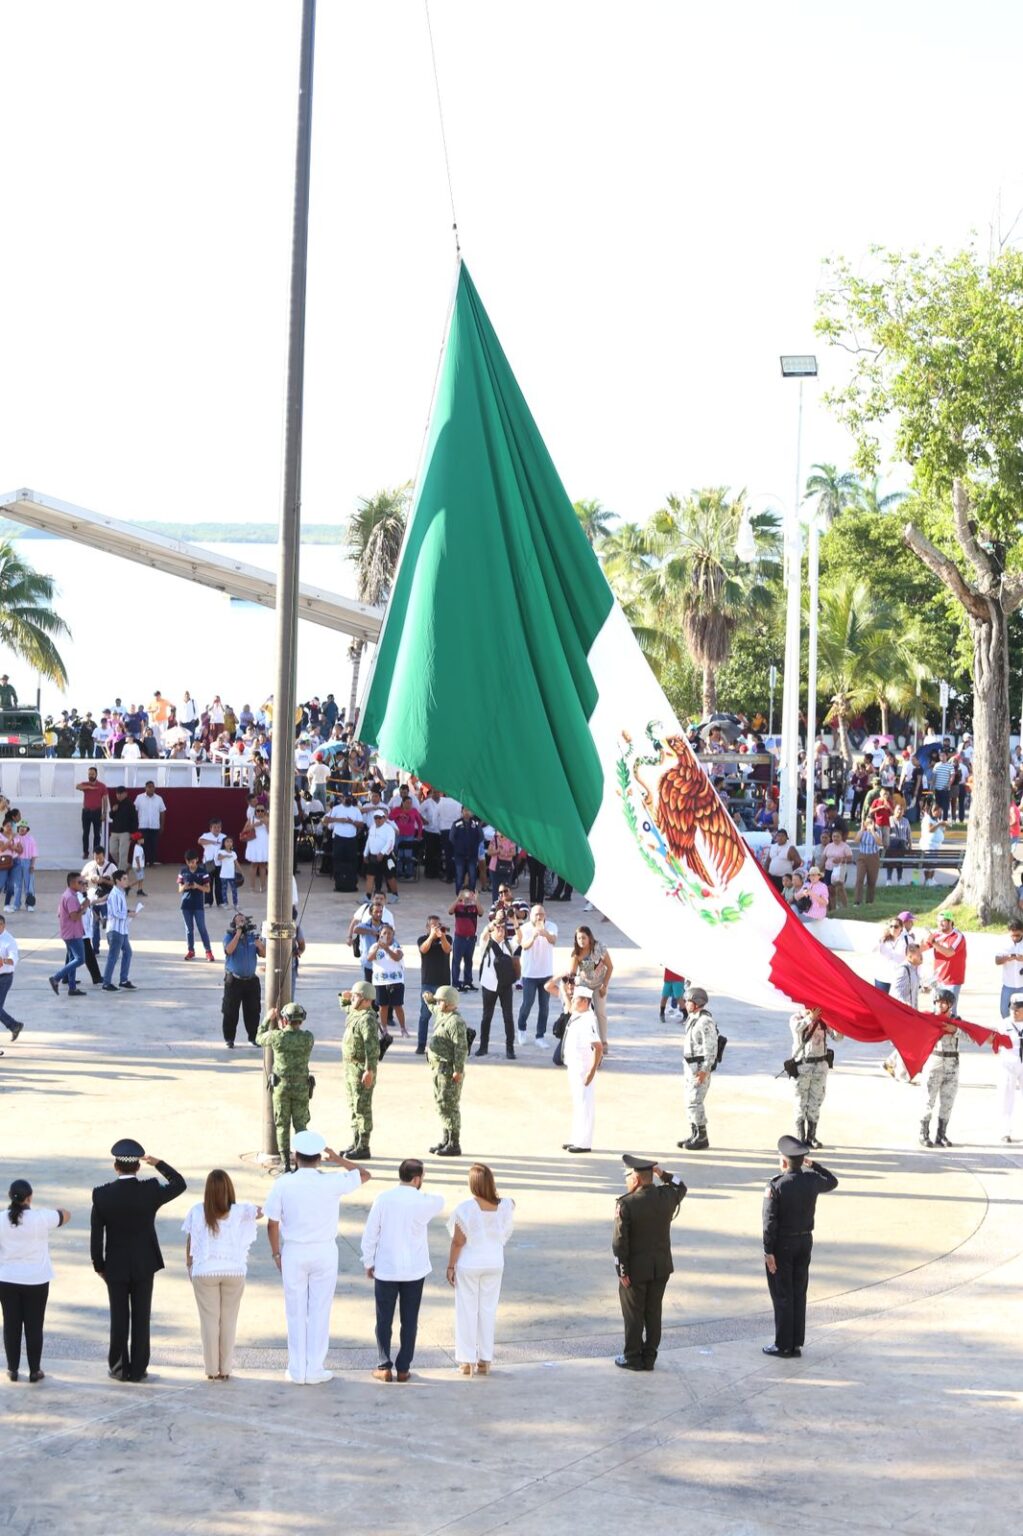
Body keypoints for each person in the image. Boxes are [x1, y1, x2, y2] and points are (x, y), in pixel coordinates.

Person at [263, 1129, 371, 1386]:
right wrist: (338, 1158)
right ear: (319, 1158)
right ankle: (315, 1368)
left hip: (294, 1250)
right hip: (324, 1250)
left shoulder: (283, 1183)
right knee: (320, 1309)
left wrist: (276, 1252)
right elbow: (365, 1175)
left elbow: (272, 1223)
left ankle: (297, 1369)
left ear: (295, 1156)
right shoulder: (331, 1181)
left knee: (295, 1310)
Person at [90, 1138, 187, 1382]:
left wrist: (99, 1266)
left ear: (115, 1166)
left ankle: (119, 1367)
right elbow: (179, 1184)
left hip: (115, 1265)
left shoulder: (102, 1195)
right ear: (138, 1167)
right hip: (145, 1263)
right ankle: (139, 1368)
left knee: (119, 1318)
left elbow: (96, 1236)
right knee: (142, 1317)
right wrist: (159, 1164)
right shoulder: (150, 1190)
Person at [361, 1158, 445, 1383]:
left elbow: (371, 1234)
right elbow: (441, 1200)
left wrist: (369, 1261)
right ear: (417, 1179)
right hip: (414, 1270)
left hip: (386, 1268)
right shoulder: (423, 1201)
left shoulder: (384, 1198)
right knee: (410, 1320)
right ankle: (404, 1367)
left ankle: (384, 1364)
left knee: (383, 1319)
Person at [762, 1133, 838, 1358]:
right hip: (805, 1241)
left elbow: (769, 1221)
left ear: (784, 1162)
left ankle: (783, 1344)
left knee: (782, 1294)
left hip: (783, 1245)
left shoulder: (777, 1185)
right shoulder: (811, 1180)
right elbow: (832, 1181)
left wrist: (768, 1251)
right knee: (798, 1291)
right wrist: (814, 1165)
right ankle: (795, 1343)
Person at [182, 1171, 262, 1380]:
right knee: (229, 1321)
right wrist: (242, 1205)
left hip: (205, 1271)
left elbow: (191, 1240)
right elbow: (262, 1211)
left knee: (209, 1322)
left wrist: (189, 1266)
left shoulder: (197, 1211)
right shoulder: (239, 1211)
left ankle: (211, 1370)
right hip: (234, 1271)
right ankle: (225, 1369)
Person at [612, 1154, 687, 1371]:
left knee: (633, 1314)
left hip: (635, 1271)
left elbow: (619, 1243)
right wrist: (662, 1174)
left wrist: (622, 1270)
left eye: (628, 1176)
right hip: (661, 1267)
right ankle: (650, 1356)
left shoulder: (626, 1204)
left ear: (635, 1179)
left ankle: (633, 1357)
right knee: (653, 1312)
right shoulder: (666, 1196)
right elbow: (681, 1186)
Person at [446, 1162, 514, 1376]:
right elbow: (513, 1202)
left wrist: (450, 1265)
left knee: (467, 1311)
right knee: (487, 1310)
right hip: (494, 1263)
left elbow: (458, 1241)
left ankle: (467, 1362)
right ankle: (485, 1359)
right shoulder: (504, 1205)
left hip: (470, 1263)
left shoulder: (465, 1208)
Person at [0, 1179, 70, 1382]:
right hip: (36, 1280)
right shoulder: (41, 1217)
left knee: (11, 1324)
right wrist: (57, 1210)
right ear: (30, 1197)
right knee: (34, 1326)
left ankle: (12, 1369)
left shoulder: (2, 1218)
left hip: (7, 1279)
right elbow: (66, 1215)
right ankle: (34, 1370)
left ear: (9, 1196)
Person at [255, 1004, 314, 1169]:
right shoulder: (308, 1037)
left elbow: (259, 1037)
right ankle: (300, 1163)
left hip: (282, 1087)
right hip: (301, 1087)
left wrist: (268, 1019)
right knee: (301, 1125)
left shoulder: (277, 1037)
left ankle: (286, 1164)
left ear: (284, 1019)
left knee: (282, 1125)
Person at [425, 984, 469, 1156]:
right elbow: (432, 1008)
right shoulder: (443, 1014)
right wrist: (429, 999)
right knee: (442, 1104)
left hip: (449, 1070)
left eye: (441, 1001)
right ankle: (446, 1139)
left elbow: (461, 1048)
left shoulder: (455, 1022)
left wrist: (458, 1070)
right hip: (438, 1069)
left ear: (450, 1003)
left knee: (450, 1106)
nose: (438, 1004)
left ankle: (454, 1143)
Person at [338, 980, 380, 1160]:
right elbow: (346, 1008)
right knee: (353, 1105)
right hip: (351, 1068)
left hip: (361, 1068)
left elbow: (372, 1048)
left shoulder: (368, 1020)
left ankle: (364, 1145)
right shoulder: (357, 1012)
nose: (352, 998)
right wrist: (344, 997)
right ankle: (355, 1141)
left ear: (365, 999)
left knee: (362, 1107)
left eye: (355, 996)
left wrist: (369, 1070)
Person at [788, 1007, 841, 1148]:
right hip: (803, 1066)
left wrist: (840, 1024)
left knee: (816, 1101)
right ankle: (800, 1136)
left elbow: (837, 1037)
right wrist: (810, 1018)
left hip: (820, 1066)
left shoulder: (823, 1019)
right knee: (801, 1101)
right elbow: (797, 1029)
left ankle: (812, 1136)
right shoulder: (796, 1018)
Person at [562, 982, 603, 1153]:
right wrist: (565, 990)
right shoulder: (578, 1014)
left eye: (576, 999)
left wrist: (592, 1072)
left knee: (585, 1104)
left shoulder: (588, 1020)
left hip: (583, 1068)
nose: (572, 1001)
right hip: (574, 1065)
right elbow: (569, 1006)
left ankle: (584, 1142)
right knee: (578, 1104)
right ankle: (576, 1138)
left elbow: (598, 1048)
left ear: (585, 1002)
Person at [678, 985, 719, 1151]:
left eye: (689, 1001)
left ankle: (702, 1137)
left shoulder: (705, 1021)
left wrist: (705, 1070)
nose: (686, 1004)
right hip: (691, 1067)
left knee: (695, 1102)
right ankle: (694, 1132)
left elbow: (711, 1048)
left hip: (700, 1068)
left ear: (697, 1003)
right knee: (690, 1102)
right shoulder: (693, 1018)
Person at [515, 904, 557, 1049]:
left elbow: (553, 940)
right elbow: (524, 946)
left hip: (546, 974)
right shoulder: (525, 928)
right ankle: (521, 1028)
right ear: (531, 915)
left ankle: (540, 1036)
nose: (539, 917)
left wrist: (544, 932)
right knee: (528, 1003)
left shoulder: (551, 926)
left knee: (544, 1006)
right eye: (536, 914)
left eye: (542, 914)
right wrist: (533, 936)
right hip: (529, 974)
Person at [222, 911, 266, 1047]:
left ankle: (253, 1037)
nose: (241, 922)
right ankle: (229, 1039)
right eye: (238, 920)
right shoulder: (229, 936)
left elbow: (263, 954)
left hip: (250, 980)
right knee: (230, 1010)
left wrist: (260, 945)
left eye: (243, 920)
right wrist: (238, 934)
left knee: (253, 1010)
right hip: (234, 980)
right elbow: (228, 950)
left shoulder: (253, 937)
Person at [477, 915, 518, 1059]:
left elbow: (520, 938)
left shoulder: (509, 945)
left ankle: (510, 1049)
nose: (501, 930)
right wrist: (493, 923)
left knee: (508, 1017)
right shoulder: (486, 943)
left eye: (503, 928)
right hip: (489, 985)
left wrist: (515, 923)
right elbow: (483, 934)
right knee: (486, 1017)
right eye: (498, 928)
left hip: (505, 986)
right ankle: (483, 1046)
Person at [569, 926, 614, 1053]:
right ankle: (585, 1040)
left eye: (584, 937)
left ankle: (604, 1042)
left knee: (600, 1012)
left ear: (590, 938)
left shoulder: (599, 948)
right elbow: (571, 974)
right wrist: (571, 989)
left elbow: (610, 967)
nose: (581, 941)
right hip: (584, 985)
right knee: (584, 1014)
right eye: (578, 938)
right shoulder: (576, 953)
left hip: (599, 984)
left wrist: (604, 985)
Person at [48, 872, 90, 998]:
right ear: (72, 883)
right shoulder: (71, 897)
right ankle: (56, 978)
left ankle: (72, 987)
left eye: (83, 882)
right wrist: (84, 907)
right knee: (80, 959)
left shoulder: (67, 895)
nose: (82, 885)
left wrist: (82, 906)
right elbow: (74, 916)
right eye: (80, 882)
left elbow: (60, 913)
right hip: (73, 933)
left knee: (73, 959)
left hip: (68, 932)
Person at [416, 914, 452, 1054]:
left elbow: (447, 949)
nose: (436, 927)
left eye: (438, 924)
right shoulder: (422, 939)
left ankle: (443, 1045)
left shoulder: (447, 938)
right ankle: (421, 1045)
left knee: (444, 1016)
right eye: (433, 925)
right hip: (428, 983)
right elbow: (423, 949)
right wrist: (431, 936)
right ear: (427, 927)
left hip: (443, 984)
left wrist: (441, 936)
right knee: (425, 1015)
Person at [921, 911, 967, 1015]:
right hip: (937, 979)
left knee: (950, 1011)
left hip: (952, 980)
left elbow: (949, 952)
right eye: (938, 921)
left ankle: (953, 1031)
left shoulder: (957, 936)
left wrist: (934, 942)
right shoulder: (937, 935)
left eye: (943, 921)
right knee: (936, 1009)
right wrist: (924, 940)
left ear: (951, 922)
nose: (940, 924)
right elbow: (921, 949)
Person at [367, 922, 407, 1039]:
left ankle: (403, 1028)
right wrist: (379, 947)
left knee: (397, 1005)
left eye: (389, 933)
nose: (387, 935)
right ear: (380, 934)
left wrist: (387, 949)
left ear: (393, 934)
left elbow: (397, 957)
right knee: (383, 1006)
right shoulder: (374, 947)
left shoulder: (396, 946)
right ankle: (384, 1029)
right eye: (384, 933)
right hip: (380, 982)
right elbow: (369, 958)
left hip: (396, 981)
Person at [100, 870, 137, 992]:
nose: (127, 881)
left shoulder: (121, 893)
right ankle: (106, 983)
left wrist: (128, 912)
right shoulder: (114, 894)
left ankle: (123, 980)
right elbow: (116, 913)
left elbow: (121, 910)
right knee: (113, 957)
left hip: (122, 930)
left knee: (128, 952)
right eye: (124, 879)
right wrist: (128, 914)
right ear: (117, 881)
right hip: (115, 930)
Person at [178, 850, 214, 961]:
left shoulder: (203, 872)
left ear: (197, 860)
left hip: (198, 905)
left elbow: (207, 889)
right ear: (186, 862)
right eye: (189, 862)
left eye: (193, 862)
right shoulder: (183, 872)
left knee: (202, 928)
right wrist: (186, 886)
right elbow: (179, 889)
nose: (191, 864)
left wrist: (197, 886)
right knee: (189, 929)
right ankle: (191, 950)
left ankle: (208, 951)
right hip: (186, 905)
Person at [998, 993, 1023, 1143]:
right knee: (1006, 1097)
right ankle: (1005, 1130)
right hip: (1008, 1062)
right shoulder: (1004, 1024)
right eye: (1013, 1008)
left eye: (1018, 1009)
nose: (1015, 1011)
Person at [448, 888, 482, 991]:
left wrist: (476, 901)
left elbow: (481, 912)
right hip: (459, 938)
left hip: (470, 939)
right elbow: (450, 911)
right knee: (456, 961)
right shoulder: (458, 907)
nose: (468, 899)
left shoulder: (474, 907)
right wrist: (458, 899)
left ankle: (468, 982)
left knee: (469, 961)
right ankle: (455, 983)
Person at [364, 806, 399, 901]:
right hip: (373, 856)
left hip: (387, 857)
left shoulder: (389, 828)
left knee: (390, 876)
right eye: (376, 818)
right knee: (370, 876)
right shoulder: (372, 827)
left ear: (384, 818)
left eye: (380, 817)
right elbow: (369, 841)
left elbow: (390, 843)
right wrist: (365, 853)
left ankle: (395, 895)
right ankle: (367, 897)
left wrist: (382, 853)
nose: (378, 820)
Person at [75, 766, 110, 858]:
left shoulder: (102, 786)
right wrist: (89, 787)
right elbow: (77, 786)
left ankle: (96, 853)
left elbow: (105, 800)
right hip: (86, 812)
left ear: (96, 775)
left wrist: (104, 813)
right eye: (89, 774)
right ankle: (85, 852)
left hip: (97, 812)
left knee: (97, 834)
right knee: (85, 833)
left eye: (92, 774)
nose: (91, 776)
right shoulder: (85, 784)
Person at [0, 915, 23, 1044]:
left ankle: (14, 1025)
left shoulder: (9, 940)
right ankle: (14, 1026)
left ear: (4, 925)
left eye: (0, 925)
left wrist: (3, 961)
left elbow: (13, 959)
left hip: (4, 978)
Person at [851, 814, 883, 905]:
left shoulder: (877, 831)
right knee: (859, 879)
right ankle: (857, 901)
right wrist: (862, 829)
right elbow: (856, 840)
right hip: (862, 856)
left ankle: (869, 901)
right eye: (867, 822)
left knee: (871, 880)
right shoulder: (862, 831)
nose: (868, 824)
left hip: (873, 856)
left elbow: (879, 842)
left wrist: (872, 831)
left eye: (870, 822)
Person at [994, 918, 1023, 1018]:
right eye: (1012, 935)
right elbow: (997, 961)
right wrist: (1007, 958)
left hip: (1022, 985)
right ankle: (1008, 1031)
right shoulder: (1004, 942)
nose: (1015, 938)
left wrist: (1021, 958)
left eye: (1018, 935)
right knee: (1004, 1011)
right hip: (1008, 985)